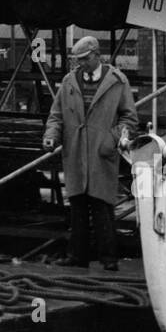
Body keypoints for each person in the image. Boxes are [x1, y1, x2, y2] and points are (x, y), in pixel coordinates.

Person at [42, 36, 138, 270]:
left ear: (97, 55)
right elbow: (57, 115)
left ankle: (108, 259)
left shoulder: (117, 81)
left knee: (102, 206)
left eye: (84, 59)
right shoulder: (69, 82)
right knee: (77, 206)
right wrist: (52, 135)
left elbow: (130, 118)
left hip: (101, 153)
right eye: (77, 60)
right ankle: (78, 257)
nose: (80, 64)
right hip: (75, 152)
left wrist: (111, 139)